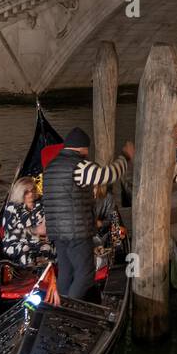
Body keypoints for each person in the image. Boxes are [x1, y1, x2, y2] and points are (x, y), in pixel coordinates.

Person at [42, 127, 134, 301]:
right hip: (77, 231)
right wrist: (126, 157)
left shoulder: (51, 167)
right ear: (82, 148)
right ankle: (68, 310)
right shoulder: (79, 165)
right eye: (87, 150)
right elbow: (108, 175)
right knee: (85, 275)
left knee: (67, 272)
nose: (87, 154)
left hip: (57, 231)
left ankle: (60, 312)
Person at [0, 176, 51, 268]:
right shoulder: (12, 208)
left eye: (33, 190)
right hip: (15, 241)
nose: (31, 194)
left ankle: (45, 269)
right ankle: (29, 271)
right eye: (27, 192)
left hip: (39, 240)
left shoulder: (42, 203)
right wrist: (35, 231)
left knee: (48, 248)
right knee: (25, 249)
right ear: (20, 193)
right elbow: (9, 233)